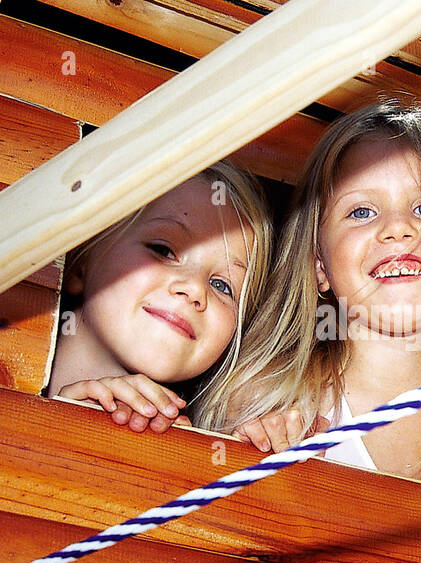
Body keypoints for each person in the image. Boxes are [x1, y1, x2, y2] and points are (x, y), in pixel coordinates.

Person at [225, 99, 421, 515]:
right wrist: (249, 453)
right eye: (362, 211)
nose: (396, 228)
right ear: (319, 265)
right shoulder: (269, 399)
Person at [46, 160, 272, 434]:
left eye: (222, 285)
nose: (194, 289)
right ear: (77, 263)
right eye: (163, 250)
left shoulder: (193, 453)